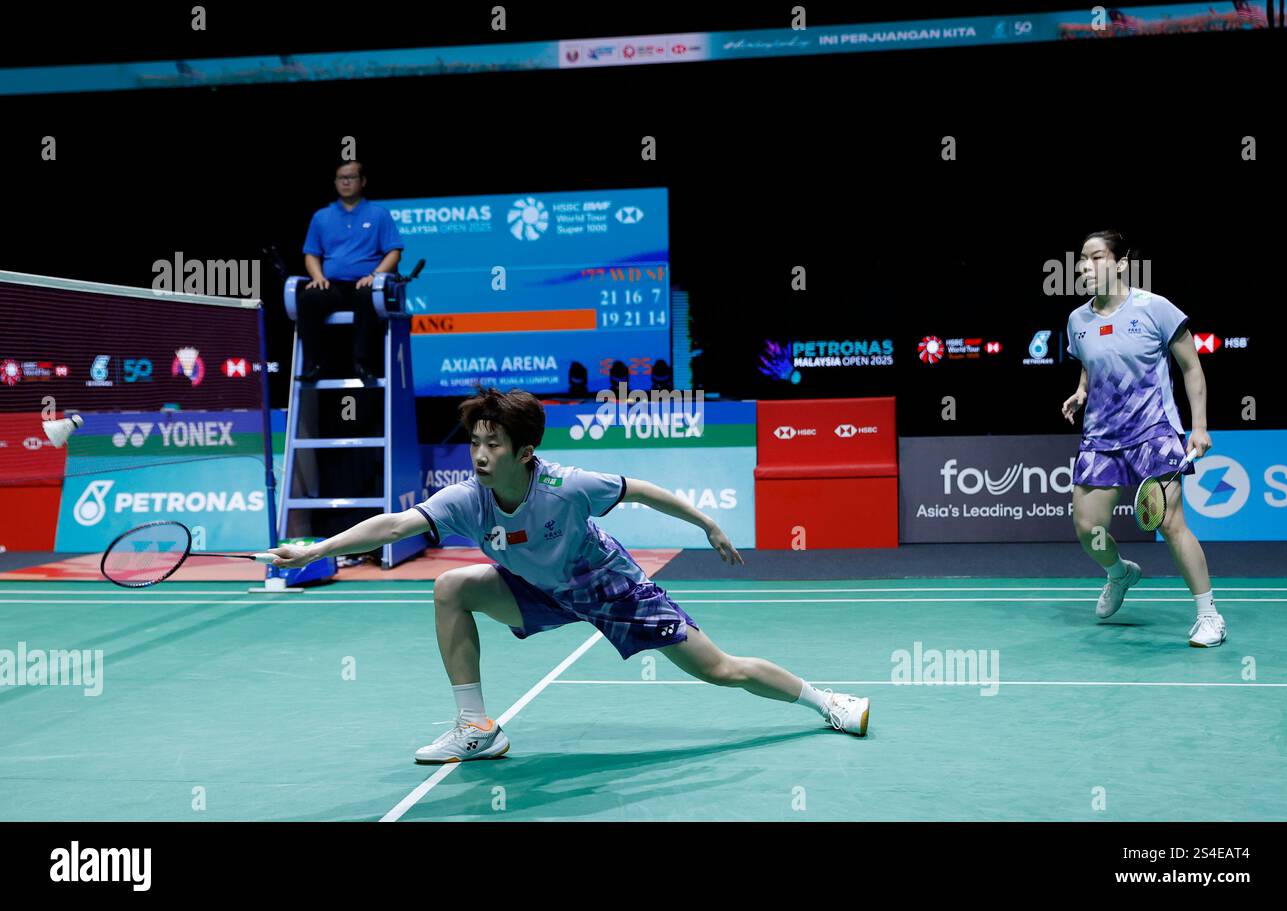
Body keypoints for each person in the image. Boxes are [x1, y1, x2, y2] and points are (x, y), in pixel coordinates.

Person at [267, 387, 870, 762]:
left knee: (720, 670)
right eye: (475, 442)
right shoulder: (466, 499)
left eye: (493, 444)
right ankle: (475, 726)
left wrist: (708, 524)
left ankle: (828, 702)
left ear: (524, 451)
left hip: (609, 586)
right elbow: (394, 526)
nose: (479, 455)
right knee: (451, 585)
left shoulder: (566, 487)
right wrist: (316, 549)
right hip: (540, 590)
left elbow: (641, 491)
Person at [1061, 230, 1226, 647]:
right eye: (1081, 259)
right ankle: (1120, 573)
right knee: (1087, 528)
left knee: (1171, 523)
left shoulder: (1155, 309)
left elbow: (1191, 367)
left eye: (1096, 257)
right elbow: (1089, 363)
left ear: (1120, 263)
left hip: (1153, 430)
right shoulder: (1077, 321)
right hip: (1102, 437)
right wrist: (1081, 392)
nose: (1084, 266)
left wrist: (1200, 426)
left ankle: (1209, 615)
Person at [295, 161, 404, 383]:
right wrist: (317, 277)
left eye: (351, 177)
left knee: (368, 296)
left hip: (366, 283)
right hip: (333, 285)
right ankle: (313, 364)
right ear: (335, 182)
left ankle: (362, 362)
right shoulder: (321, 217)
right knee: (308, 298)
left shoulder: (379, 214)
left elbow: (394, 253)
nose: (345, 182)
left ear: (362, 181)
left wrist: (374, 276)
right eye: (340, 178)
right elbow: (311, 254)